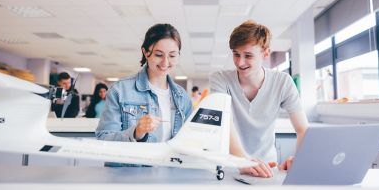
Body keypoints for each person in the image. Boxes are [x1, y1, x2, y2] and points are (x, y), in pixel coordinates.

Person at [95, 23, 266, 175]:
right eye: (159, 54)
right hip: (128, 178)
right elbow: (104, 140)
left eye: (172, 55)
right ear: (146, 52)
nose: (165, 62)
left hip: (171, 178)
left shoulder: (181, 97)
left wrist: (236, 160)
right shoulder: (120, 91)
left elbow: (190, 144)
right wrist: (135, 132)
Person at [210, 20, 309, 176]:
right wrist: (243, 162)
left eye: (248, 55)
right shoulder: (221, 79)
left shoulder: (283, 82)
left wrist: (300, 159)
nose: (240, 62)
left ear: (266, 53)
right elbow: (225, 125)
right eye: (236, 54)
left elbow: (303, 129)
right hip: (229, 166)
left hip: (266, 168)